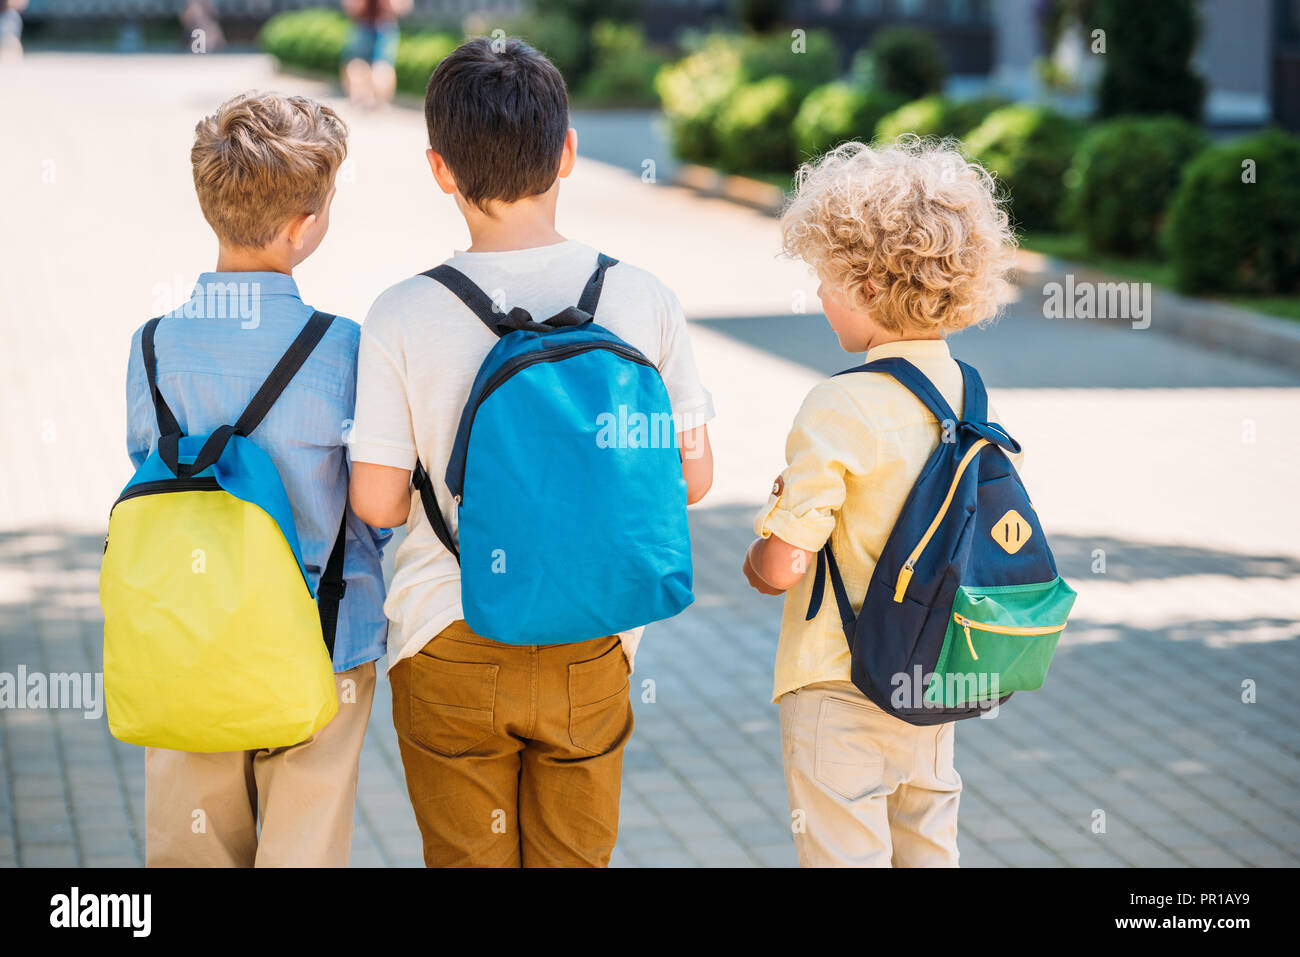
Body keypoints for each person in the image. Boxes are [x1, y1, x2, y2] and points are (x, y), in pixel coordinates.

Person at [347, 37, 715, 867]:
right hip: (594, 638)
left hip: (450, 631)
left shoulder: (403, 312)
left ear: (440, 169)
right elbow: (692, 478)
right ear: (570, 153)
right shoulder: (643, 296)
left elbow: (376, 503)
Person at [126, 92, 389, 867]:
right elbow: (375, 510)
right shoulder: (344, 350)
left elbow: (155, 480)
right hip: (323, 647)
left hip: (185, 646)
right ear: (306, 226)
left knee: (190, 853)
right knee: (302, 853)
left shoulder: (151, 349)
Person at [742, 137, 1019, 867]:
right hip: (932, 679)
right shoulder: (968, 391)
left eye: (826, 277)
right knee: (931, 849)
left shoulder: (838, 404)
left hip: (839, 684)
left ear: (867, 286)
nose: (819, 294)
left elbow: (784, 563)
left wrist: (761, 546)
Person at [341, 0, 411, 109]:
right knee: (364, 64)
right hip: (371, 23)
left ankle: (373, 100)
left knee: (376, 66)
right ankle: (368, 99)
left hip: (379, 24)